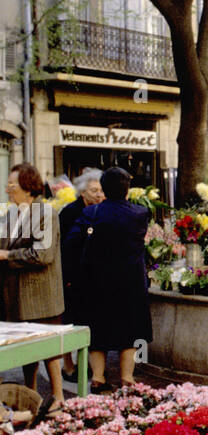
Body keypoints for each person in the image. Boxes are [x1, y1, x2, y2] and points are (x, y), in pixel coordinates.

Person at [66, 166, 151, 391]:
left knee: (97, 329)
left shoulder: (91, 213)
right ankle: (127, 377)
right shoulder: (140, 213)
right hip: (131, 281)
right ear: (127, 189)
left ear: (103, 188)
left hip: (96, 281)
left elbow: (72, 243)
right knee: (130, 330)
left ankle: (98, 377)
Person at [0, 163, 66, 411]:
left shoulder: (46, 214)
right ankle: (30, 396)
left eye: (12, 185)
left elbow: (43, 254)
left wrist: (7, 256)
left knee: (51, 352)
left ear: (28, 188)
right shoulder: (10, 214)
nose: (7, 189)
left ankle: (58, 397)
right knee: (27, 354)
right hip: (14, 297)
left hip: (40, 297)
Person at [59, 169, 104, 376]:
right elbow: (65, 248)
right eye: (93, 190)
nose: (98, 194)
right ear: (82, 192)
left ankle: (83, 362)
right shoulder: (69, 213)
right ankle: (68, 366)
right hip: (72, 276)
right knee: (70, 321)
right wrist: (68, 277)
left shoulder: (100, 211)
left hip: (92, 276)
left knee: (88, 321)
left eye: (101, 190)